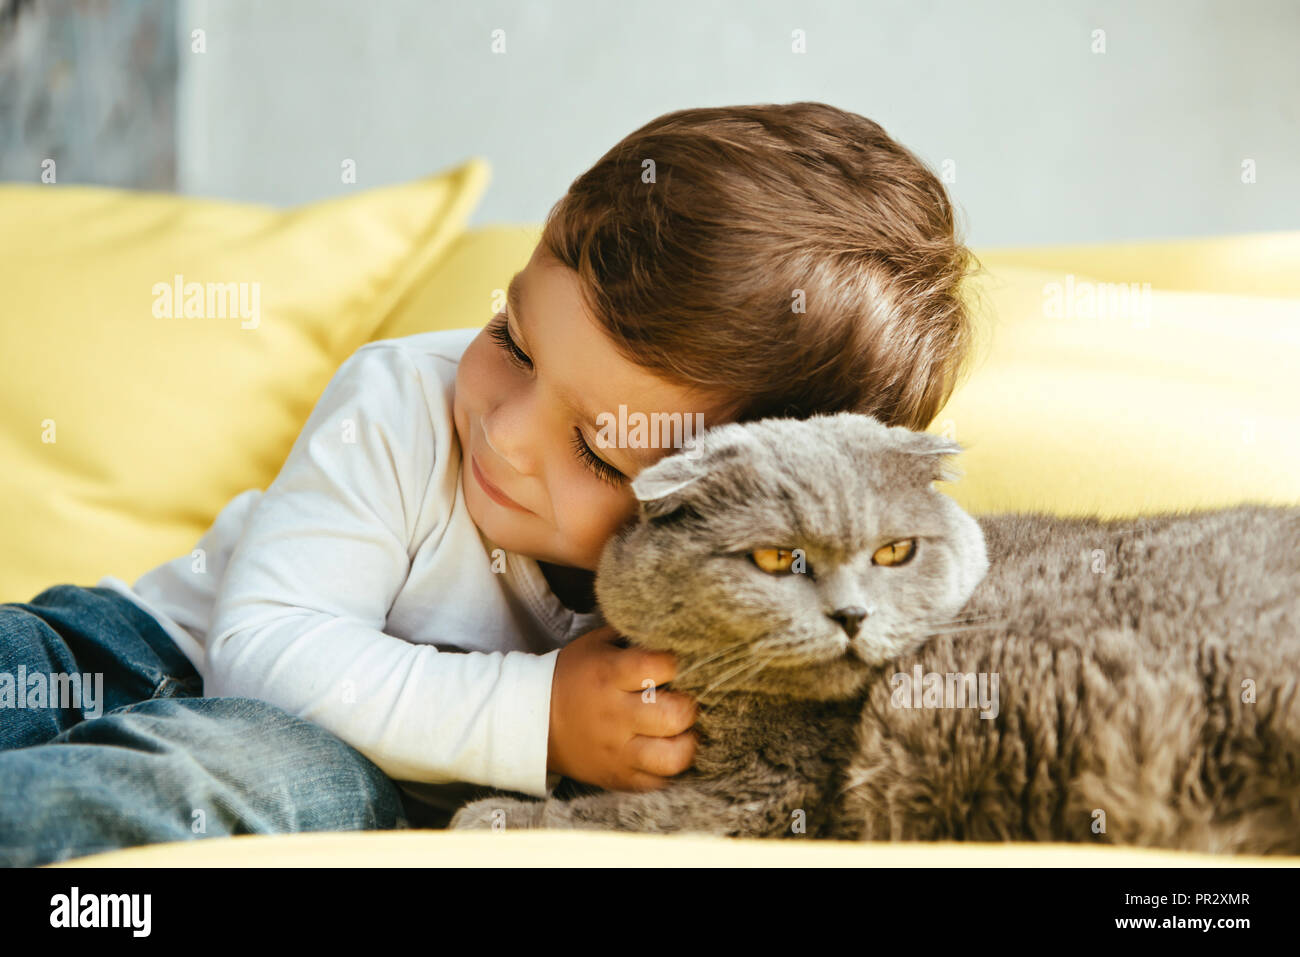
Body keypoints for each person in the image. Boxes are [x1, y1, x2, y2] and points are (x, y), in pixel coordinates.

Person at [0, 102, 983, 865]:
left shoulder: (765, 591)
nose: (507, 431)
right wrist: (543, 714)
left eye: (599, 452)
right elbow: (265, 655)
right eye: (513, 340)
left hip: (330, 777)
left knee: (217, 777)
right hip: (146, 649)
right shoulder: (401, 399)